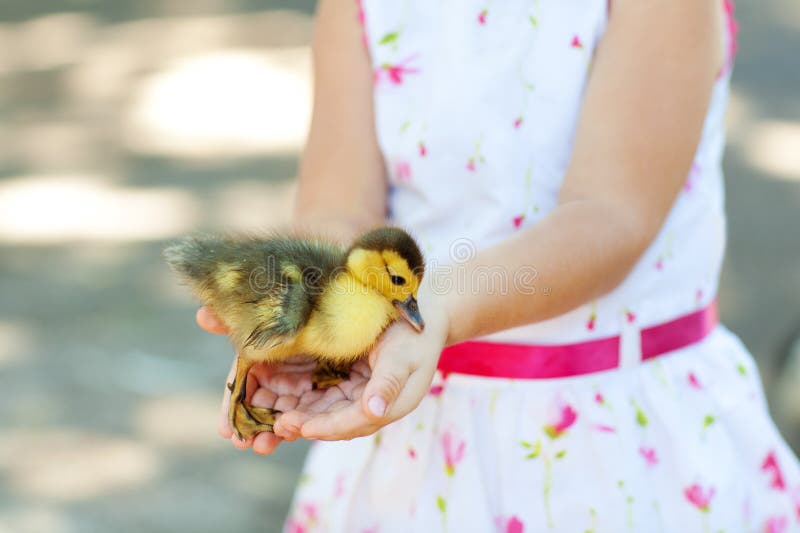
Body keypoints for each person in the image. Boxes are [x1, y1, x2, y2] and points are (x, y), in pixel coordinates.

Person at [197, 0, 800, 530]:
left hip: (613, 440)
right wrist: (314, 314)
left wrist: (436, 309)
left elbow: (611, 213)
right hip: (410, 433)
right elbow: (336, 207)